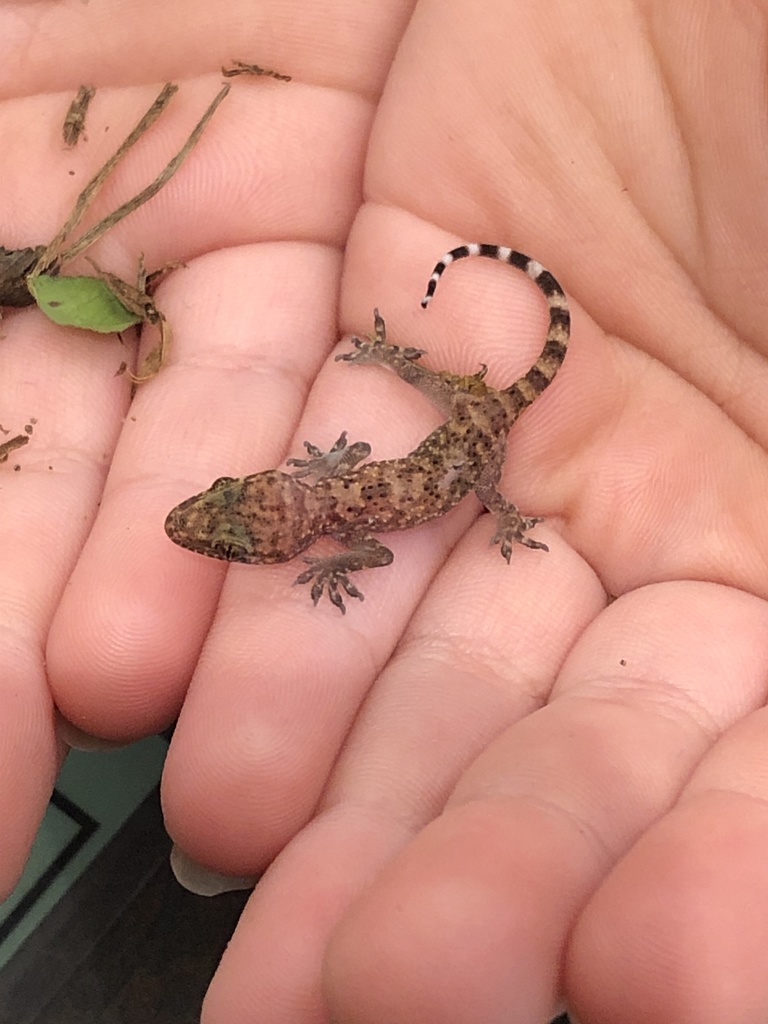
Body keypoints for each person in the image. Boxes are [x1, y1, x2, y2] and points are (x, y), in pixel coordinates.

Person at [3, 2, 768, 1021]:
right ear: (266, 496)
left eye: (225, 524)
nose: (214, 524)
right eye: (227, 518)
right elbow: (350, 477)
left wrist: (474, 523)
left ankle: (488, 400)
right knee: (441, 412)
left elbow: (362, 523)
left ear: (280, 513)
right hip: (451, 433)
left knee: (474, 468)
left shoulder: (334, 522)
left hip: (472, 457)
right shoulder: (325, 498)